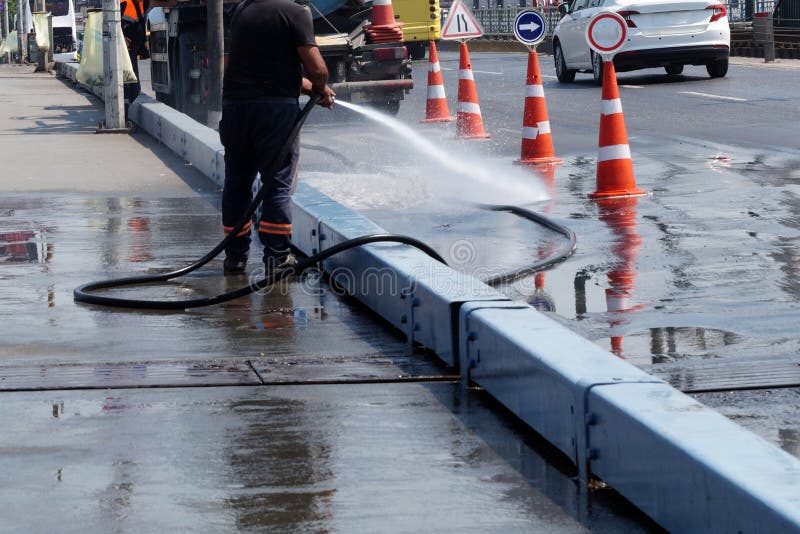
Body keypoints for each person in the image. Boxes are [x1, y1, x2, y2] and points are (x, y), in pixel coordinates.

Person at [219, 0, 335, 276]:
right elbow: (317, 69)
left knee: (237, 183)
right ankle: (277, 257)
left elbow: (269, 68)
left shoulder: (242, 13)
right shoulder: (295, 13)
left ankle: (235, 257)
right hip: (274, 112)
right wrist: (320, 86)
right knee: (277, 184)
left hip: (236, 109)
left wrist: (310, 91)